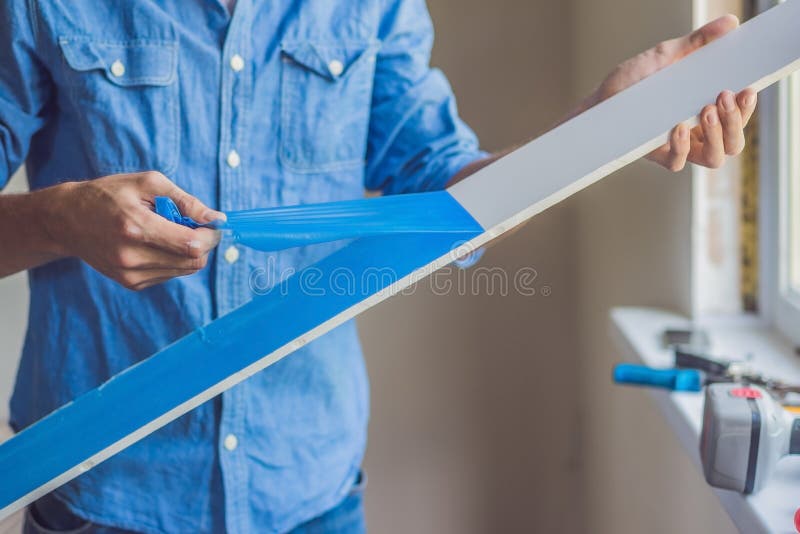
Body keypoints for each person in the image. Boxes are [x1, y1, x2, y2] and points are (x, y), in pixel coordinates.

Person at [0, 1, 754, 532]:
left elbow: (452, 201)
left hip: (314, 494)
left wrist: (602, 126)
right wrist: (55, 218)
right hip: (100, 497)